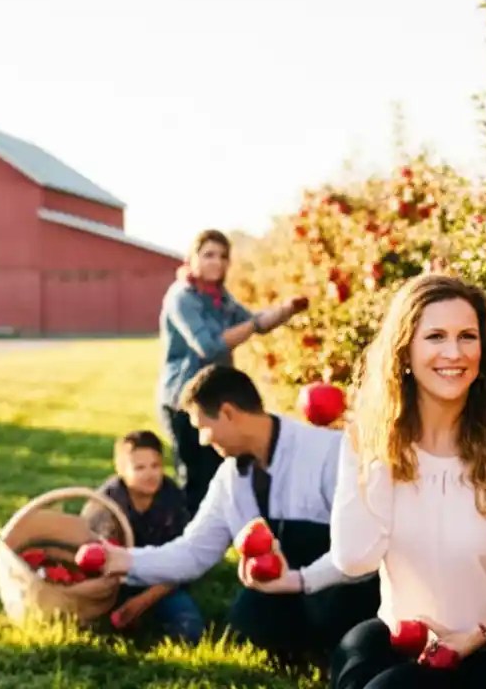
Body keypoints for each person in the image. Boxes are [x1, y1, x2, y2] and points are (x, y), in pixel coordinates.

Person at [86, 364, 380, 663]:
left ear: (227, 412)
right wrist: (124, 560)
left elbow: (362, 548)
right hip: (284, 592)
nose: (201, 440)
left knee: (336, 618)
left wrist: (301, 580)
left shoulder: (330, 452)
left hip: (342, 589)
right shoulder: (229, 478)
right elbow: (193, 552)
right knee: (246, 622)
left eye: (202, 427)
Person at [328, 274, 486, 689]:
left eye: (467, 337)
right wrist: (381, 448)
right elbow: (353, 558)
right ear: (404, 351)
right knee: (358, 652)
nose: (454, 353)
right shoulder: (368, 444)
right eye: (436, 336)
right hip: (407, 640)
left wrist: (477, 634)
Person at [158, 229, 307, 516]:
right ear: (192, 258)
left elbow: (255, 321)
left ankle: (222, 533)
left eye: (223, 256)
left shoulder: (220, 298)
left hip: (214, 396)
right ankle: (190, 545)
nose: (217, 262)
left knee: (220, 471)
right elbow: (210, 348)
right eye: (209, 255)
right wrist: (253, 325)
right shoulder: (182, 298)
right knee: (194, 476)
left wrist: (286, 310)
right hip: (183, 399)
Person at [81, 430, 204, 643]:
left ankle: (149, 618)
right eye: (139, 468)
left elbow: (181, 560)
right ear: (120, 470)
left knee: (190, 629)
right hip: (113, 584)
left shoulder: (172, 497)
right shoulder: (105, 504)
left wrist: (142, 602)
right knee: (91, 628)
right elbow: (96, 562)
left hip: (161, 582)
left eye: (155, 466)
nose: (150, 474)